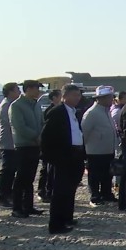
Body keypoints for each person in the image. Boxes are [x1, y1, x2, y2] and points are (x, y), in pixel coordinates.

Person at [41, 84, 85, 234]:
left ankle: (67, 217)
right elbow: (46, 137)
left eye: (78, 95)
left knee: (70, 189)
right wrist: (53, 158)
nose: (77, 98)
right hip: (62, 157)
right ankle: (56, 224)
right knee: (60, 191)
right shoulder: (57, 112)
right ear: (64, 96)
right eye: (74, 95)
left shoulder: (74, 112)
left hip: (75, 155)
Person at [10, 80, 46, 218]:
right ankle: (17, 207)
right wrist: (35, 136)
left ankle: (28, 206)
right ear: (29, 89)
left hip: (35, 146)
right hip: (23, 145)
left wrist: (42, 136)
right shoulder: (17, 106)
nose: (38, 91)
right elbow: (19, 126)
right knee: (21, 178)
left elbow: (42, 122)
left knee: (30, 177)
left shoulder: (36, 105)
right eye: (37, 88)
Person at [82, 86, 119, 206]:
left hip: (107, 150)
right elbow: (85, 132)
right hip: (95, 151)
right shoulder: (91, 113)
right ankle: (95, 196)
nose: (111, 100)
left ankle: (106, 194)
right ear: (100, 98)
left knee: (107, 174)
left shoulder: (106, 111)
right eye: (109, 97)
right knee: (94, 175)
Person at [0, 82, 20, 209]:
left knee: (11, 170)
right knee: (7, 170)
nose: (19, 92)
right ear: (10, 92)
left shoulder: (10, 104)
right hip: (8, 142)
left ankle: (8, 195)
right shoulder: (6, 106)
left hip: (12, 142)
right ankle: (2, 197)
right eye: (17, 90)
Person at [37, 89, 62, 203]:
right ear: (54, 98)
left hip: (56, 146)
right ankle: (43, 191)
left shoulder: (61, 110)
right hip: (49, 146)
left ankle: (50, 190)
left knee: (51, 171)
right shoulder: (50, 111)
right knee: (46, 169)